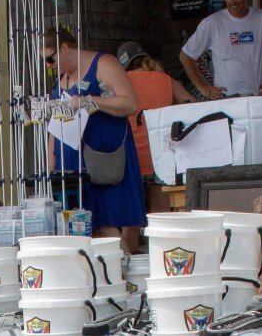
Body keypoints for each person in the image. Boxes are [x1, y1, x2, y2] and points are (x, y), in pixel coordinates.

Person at [46, 26, 146, 252]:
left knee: (108, 226)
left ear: (65, 49)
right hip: (71, 162)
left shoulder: (103, 64)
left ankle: (121, 269)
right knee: (80, 227)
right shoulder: (62, 80)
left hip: (102, 155)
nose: (48, 67)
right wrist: (50, 167)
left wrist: (90, 101)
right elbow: (54, 128)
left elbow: (130, 103)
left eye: (50, 60)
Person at [116, 41, 195, 218]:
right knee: (161, 216)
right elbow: (191, 107)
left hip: (131, 157)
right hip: (160, 158)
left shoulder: (121, 83)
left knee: (130, 221)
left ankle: (131, 246)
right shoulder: (166, 80)